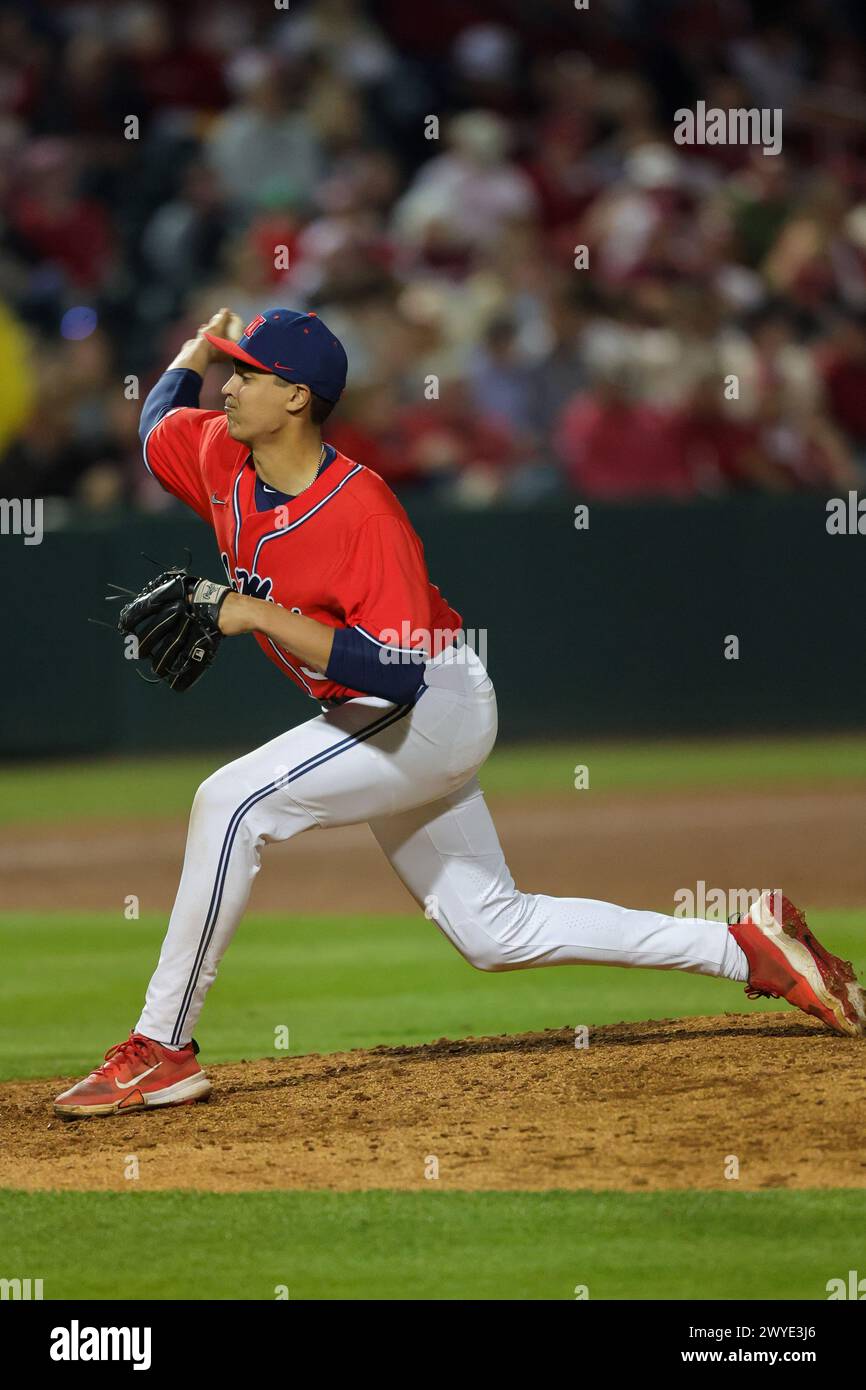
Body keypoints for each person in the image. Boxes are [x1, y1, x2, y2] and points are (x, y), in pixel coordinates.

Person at [54, 307, 866, 1117]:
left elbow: (399, 674)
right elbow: (157, 419)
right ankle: (746, 946)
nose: (226, 387)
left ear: (298, 398)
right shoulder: (216, 451)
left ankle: (162, 1046)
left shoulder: (360, 510)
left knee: (230, 804)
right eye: (226, 369)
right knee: (493, 930)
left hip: (430, 704)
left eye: (246, 374)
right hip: (373, 717)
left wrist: (255, 614)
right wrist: (194, 346)